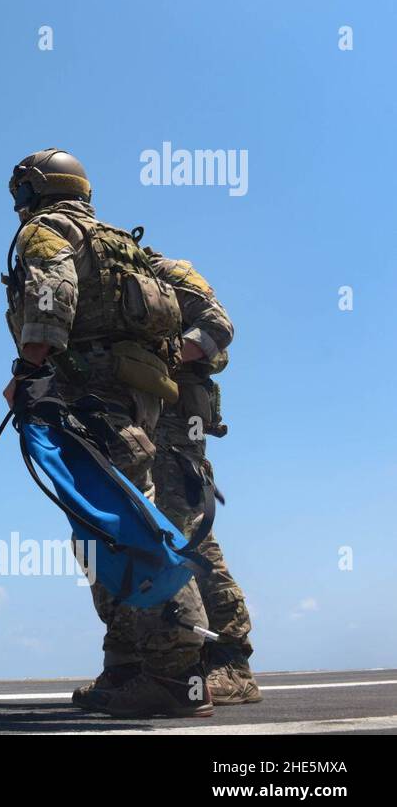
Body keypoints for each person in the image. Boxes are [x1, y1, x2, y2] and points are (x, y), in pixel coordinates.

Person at [1, 148, 213, 718]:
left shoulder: (47, 231)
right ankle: (128, 664)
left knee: (127, 522)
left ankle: (176, 674)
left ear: (36, 191)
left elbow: (52, 293)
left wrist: (31, 367)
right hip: (132, 397)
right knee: (102, 525)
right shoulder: (128, 246)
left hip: (89, 394)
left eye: (21, 192)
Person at [146, 249, 260, 705]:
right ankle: (153, 658)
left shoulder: (165, 271)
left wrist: (161, 358)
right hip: (130, 420)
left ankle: (232, 660)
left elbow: (218, 327)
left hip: (174, 423)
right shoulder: (97, 284)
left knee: (189, 531)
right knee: (139, 535)